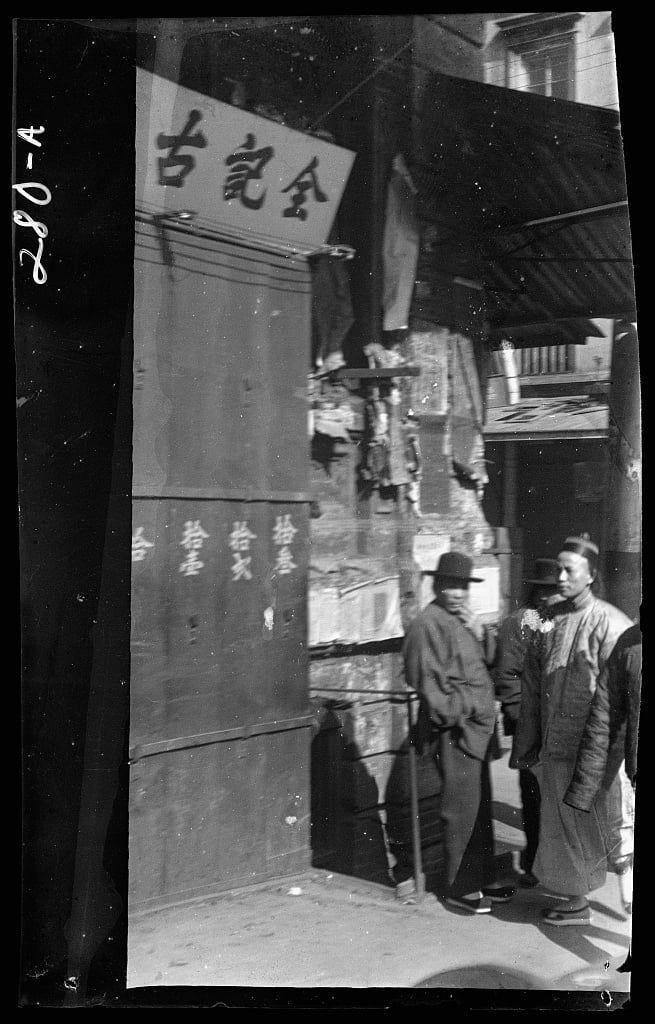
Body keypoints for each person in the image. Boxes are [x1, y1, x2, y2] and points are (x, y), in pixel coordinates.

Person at [510, 534, 632, 926]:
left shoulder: (611, 623)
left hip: (598, 750)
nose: (561, 577)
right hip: (556, 748)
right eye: (559, 569)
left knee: (614, 821)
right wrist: (528, 747)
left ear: (591, 575)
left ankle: (628, 895)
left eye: (570, 570)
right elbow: (532, 686)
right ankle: (577, 902)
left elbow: (628, 691)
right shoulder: (548, 620)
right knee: (565, 831)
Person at [403, 551, 516, 914]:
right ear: (437, 585)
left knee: (479, 806)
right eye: (450, 585)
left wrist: (482, 632)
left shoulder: (463, 619)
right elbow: (430, 689)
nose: (457, 593)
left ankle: (481, 877)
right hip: (454, 730)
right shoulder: (426, 625)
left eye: (462, 586)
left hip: (477, 729)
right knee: (461, 809)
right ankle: (459, 886)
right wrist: (468, 708)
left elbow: (490, 662)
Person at [494, 558, 563, 887]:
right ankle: (533, 866)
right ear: (535, 592)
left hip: (559, 728)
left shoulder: (563, 621)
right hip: (530, 728)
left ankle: (557, 869)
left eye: (555, 590)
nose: (550, 596)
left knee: (557, 800)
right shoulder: (518, 623)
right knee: (533, 797)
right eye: (544, 590)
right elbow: (507, 677)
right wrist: (523, 721)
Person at [564, 623, 641, 914]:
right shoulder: (629, 644)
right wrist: (586, 784)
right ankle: (628, 888)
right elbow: (604, 716)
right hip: (629, 760)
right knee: (621, 821)